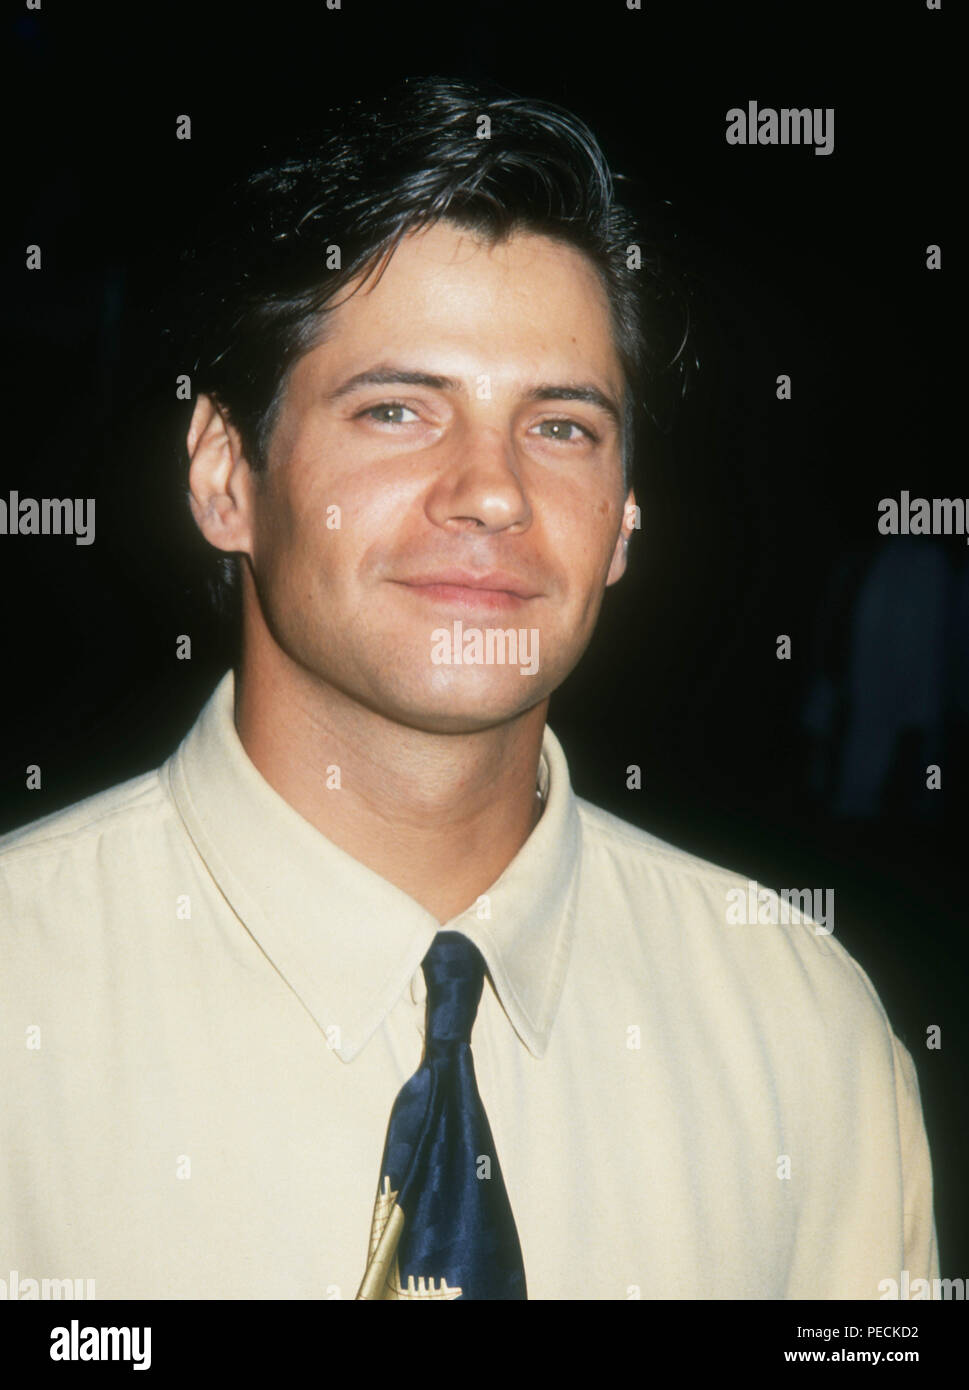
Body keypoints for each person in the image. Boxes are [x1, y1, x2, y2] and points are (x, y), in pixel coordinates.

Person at [0, 77, 938, 1300]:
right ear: (226, 476)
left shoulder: (804, 1035)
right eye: (398, 409)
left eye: (561, 427)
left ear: (622, 525)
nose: (492, 492)